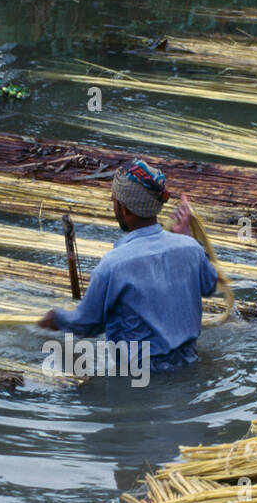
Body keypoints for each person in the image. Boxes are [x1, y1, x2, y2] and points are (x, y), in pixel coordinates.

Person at [38, 159, 218, 373]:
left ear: (123, 208)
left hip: (140, 378)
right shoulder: (191, 249)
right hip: (189, 365)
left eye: (114, 201)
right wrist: (188, 238)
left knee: (58, 370)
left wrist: (56, 319)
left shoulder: (112, 265)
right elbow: (210, 286)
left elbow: (87, 324)